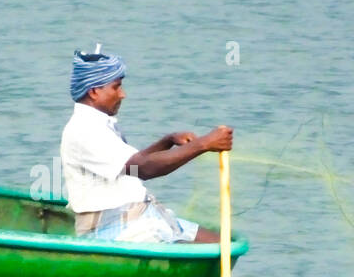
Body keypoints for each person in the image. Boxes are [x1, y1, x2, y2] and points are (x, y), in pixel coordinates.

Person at [60, 48, 233, 243]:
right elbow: (143, 169)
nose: (122, 94)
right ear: (93, 92)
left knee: (222, 244)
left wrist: (167, 141)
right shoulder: (85, 130)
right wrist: (204, 144)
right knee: (210, 249)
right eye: (116, 87)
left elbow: (133, 165)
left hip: (138, 216)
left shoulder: (99, 123)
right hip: (110, 226)